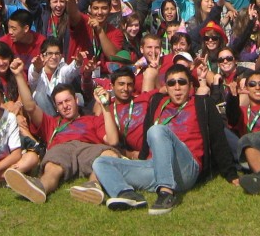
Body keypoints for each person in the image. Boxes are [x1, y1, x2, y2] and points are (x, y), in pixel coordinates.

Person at [90, 62, 239, 214]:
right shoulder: (157, 102)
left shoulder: (202, 103)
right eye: (172, 83)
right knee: (101, 162)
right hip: (156, 167)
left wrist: (231, 174)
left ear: (190, 87)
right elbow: (146, 146)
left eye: (182, 82)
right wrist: (141, 160)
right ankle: (127, 194)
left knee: (158, 130)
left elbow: (218, 139)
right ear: (166, 88)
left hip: (186, 169)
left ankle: (166, 194)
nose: (177, 87)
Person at [4, 57, 119, 204]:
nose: (65, 106)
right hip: (62, 148)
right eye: (60, 104)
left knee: (109, 154)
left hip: (88, 148)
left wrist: (105, 106)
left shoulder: (92, 119)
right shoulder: (52, 123)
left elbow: (113, 140)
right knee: (53, 166)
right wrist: (19, 75)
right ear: (56, 107)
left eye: (68, 101)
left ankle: (93, 186)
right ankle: (40, 187)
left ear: (76, 100)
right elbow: (30, 107)